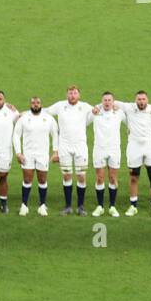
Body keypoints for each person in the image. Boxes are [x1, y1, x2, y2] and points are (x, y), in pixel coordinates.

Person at [46, 86, 93, 214]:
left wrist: (115, 106)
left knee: (81, 176)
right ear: (67, 95)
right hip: (64, 146)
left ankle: (80, 206)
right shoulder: (60, 105)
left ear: (79, 95)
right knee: (66, 176)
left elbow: (99, 109)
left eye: (75, 93)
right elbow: (44, 111)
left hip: (80, 146)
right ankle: (68, 206)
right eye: (70, 93)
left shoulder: (85, 106)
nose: (72, 95)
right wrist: (24, 113)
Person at [12, 97, 57, 216]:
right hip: (28, 154)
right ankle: (24, 205)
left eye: (37, 103)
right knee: (27, 179)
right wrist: (18, 152)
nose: (35, 105)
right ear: (30, 104)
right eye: (33, 103)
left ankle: (42, 205)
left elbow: (55, 135)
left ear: (41, 104)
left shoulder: (48, 118)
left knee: (42, 179)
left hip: (43, 154)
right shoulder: (24, 118)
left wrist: (55, 151)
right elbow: (16, 135)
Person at [89, 92, 125, 217]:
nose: (107, 102)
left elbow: (131, 118)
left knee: (113, 178)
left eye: (110, 100)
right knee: (99, 178)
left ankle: (112, 206)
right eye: (105, 100)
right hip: (99, 149)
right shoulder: (95, 113)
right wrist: (96, 107)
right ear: (102, 101)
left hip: (114, 150)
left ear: (113, 102)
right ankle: (100, 206)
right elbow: (83, 120)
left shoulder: (119, 113)